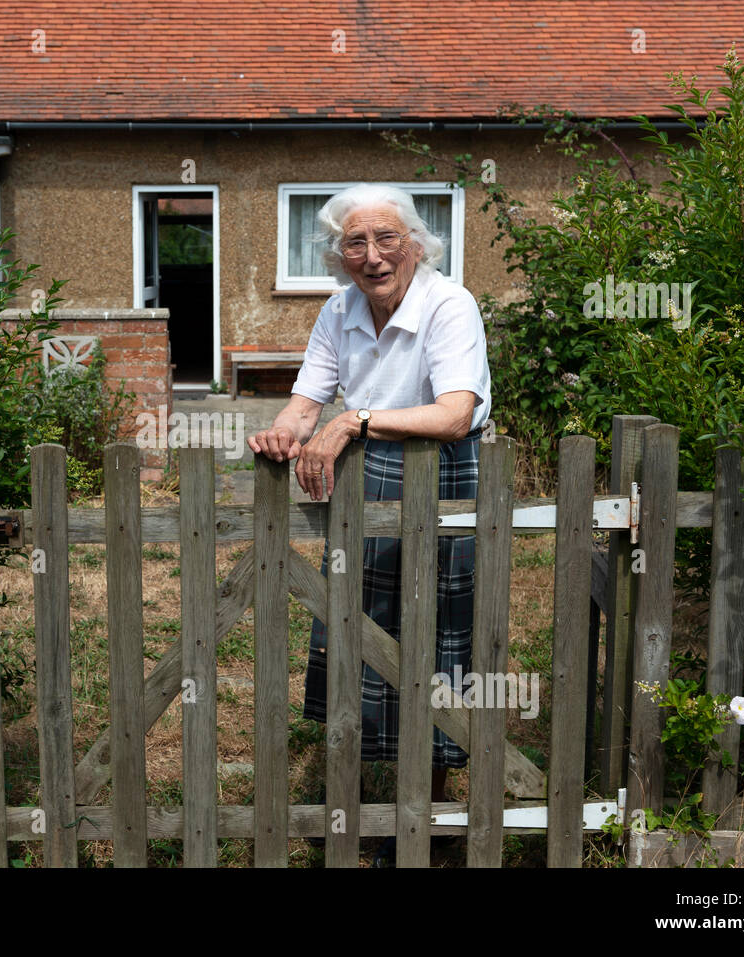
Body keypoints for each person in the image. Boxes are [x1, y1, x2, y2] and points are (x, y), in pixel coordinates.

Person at [246, 182, 492, 863]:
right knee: (354, 633)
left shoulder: (450, 304)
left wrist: (353, 420)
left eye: (387, 238)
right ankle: (350, 810)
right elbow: (306, 402)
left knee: (433, 640)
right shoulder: (339, 309)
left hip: (438, 471)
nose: (373, 255)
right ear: (340, 255)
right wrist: (283, 432)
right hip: (365, 476)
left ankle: (428, 821)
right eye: (356, 242)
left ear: (415, 244)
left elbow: (455, 413)